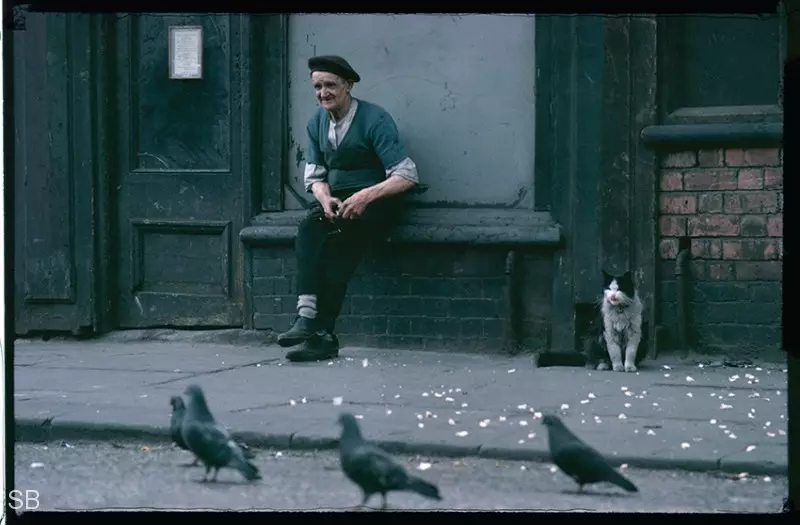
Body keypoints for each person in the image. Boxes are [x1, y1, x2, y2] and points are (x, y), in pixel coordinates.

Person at [277, 55, 420, 363]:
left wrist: (366, 196)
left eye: (330, 85)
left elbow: (406, 175)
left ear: (348, 85)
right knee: (309, 228)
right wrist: (325, 198)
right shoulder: (317, 121)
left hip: (378, 202)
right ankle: (306, 317)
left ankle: (322, 336)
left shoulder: (375, 119)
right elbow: (315, 176)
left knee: (341, 244)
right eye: (317, 86)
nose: (323, 93)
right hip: (340, 201)